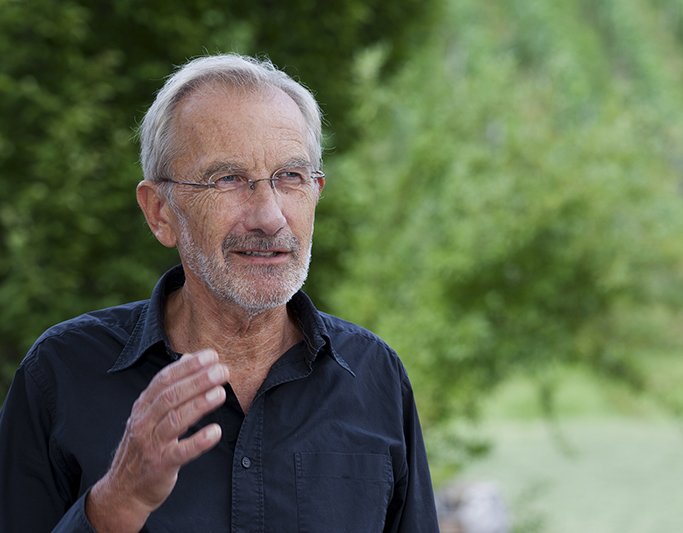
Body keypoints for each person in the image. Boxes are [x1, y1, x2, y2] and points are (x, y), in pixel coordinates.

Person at [0, 53, 439, 532]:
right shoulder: (62, 373)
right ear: (159, 212)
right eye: (228, 179)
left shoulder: (376, 379)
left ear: (315, 193)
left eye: (290, 177)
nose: (269, 216)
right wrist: (116, 503)